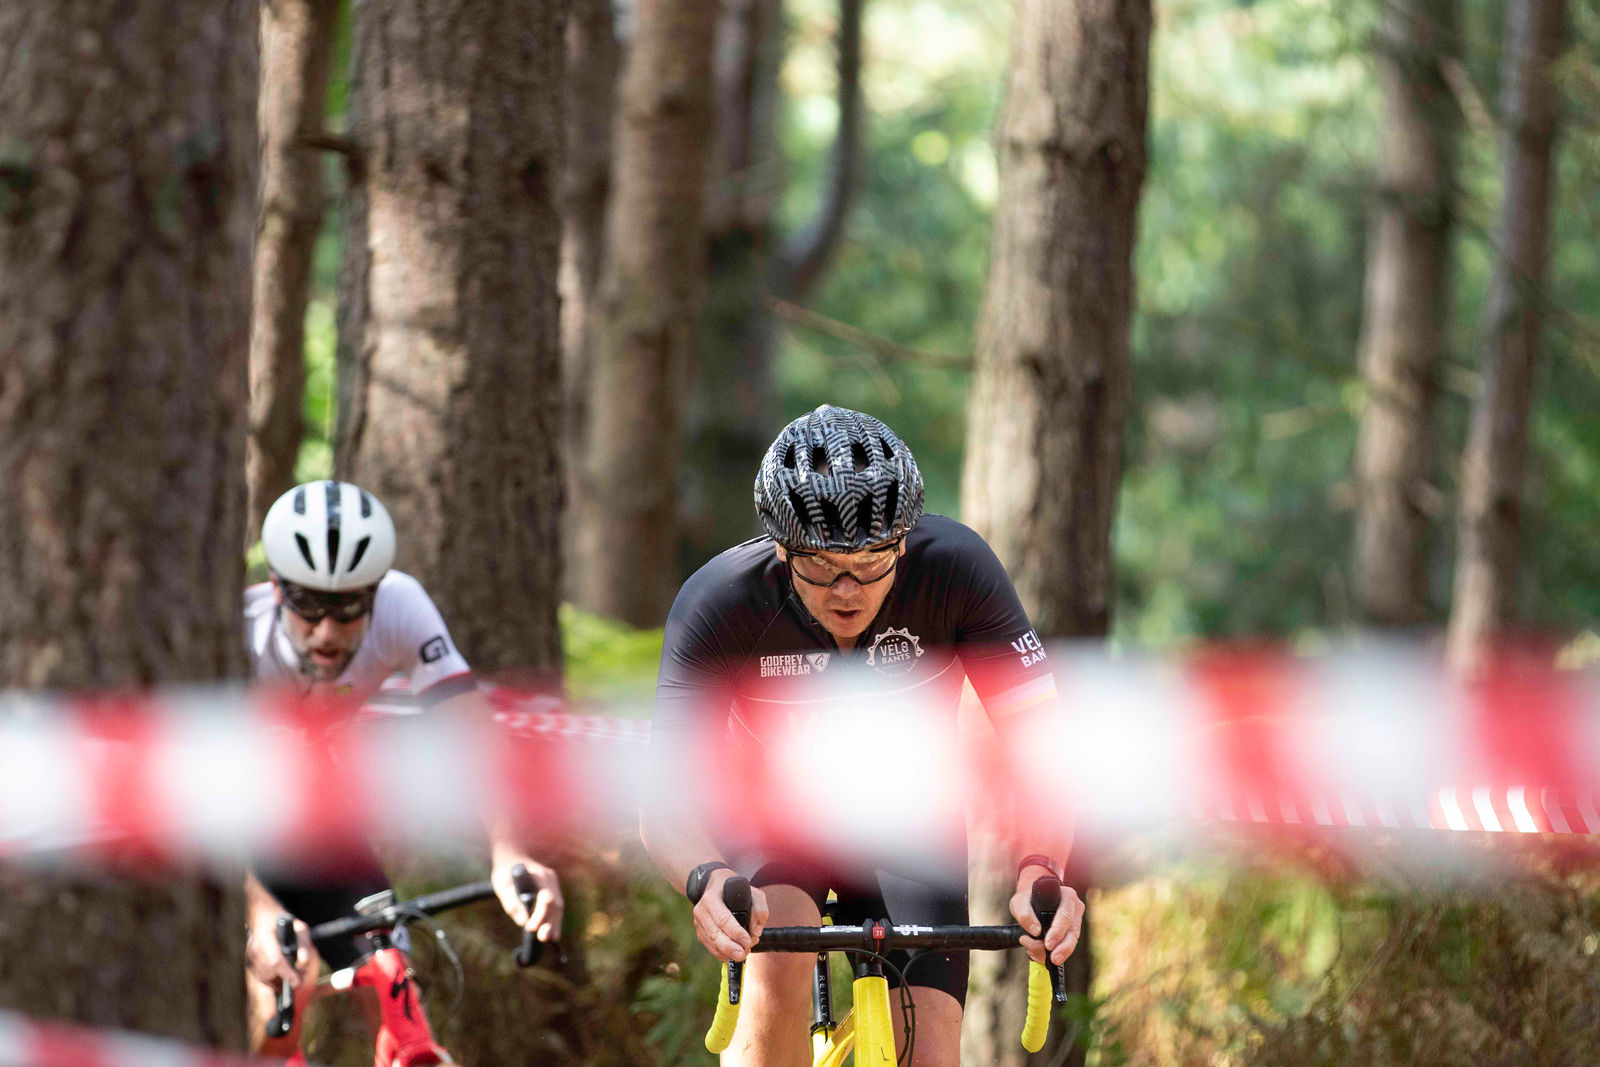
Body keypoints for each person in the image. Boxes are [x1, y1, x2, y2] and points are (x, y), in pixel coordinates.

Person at [641, 405, 1081, 1066]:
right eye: (820, 566)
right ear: (781, 547)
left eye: (871, 561)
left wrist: (1043, 866)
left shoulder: (959, 570)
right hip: (774, 821)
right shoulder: (721, 602)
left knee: (929, 1052)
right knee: (773, 983)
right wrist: (706, 877)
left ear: (904, 541)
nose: (847, 589)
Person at [241, 479, 563, 1052]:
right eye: (308, 607)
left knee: (397, 994)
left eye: (346, 609)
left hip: (323, 829)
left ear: (375, 592)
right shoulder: (242, 636)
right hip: (237, 839)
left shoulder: (402, 605)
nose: (327, 633)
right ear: (276, 588)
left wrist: (510, 849)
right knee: (276, 1007)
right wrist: (260, 911)